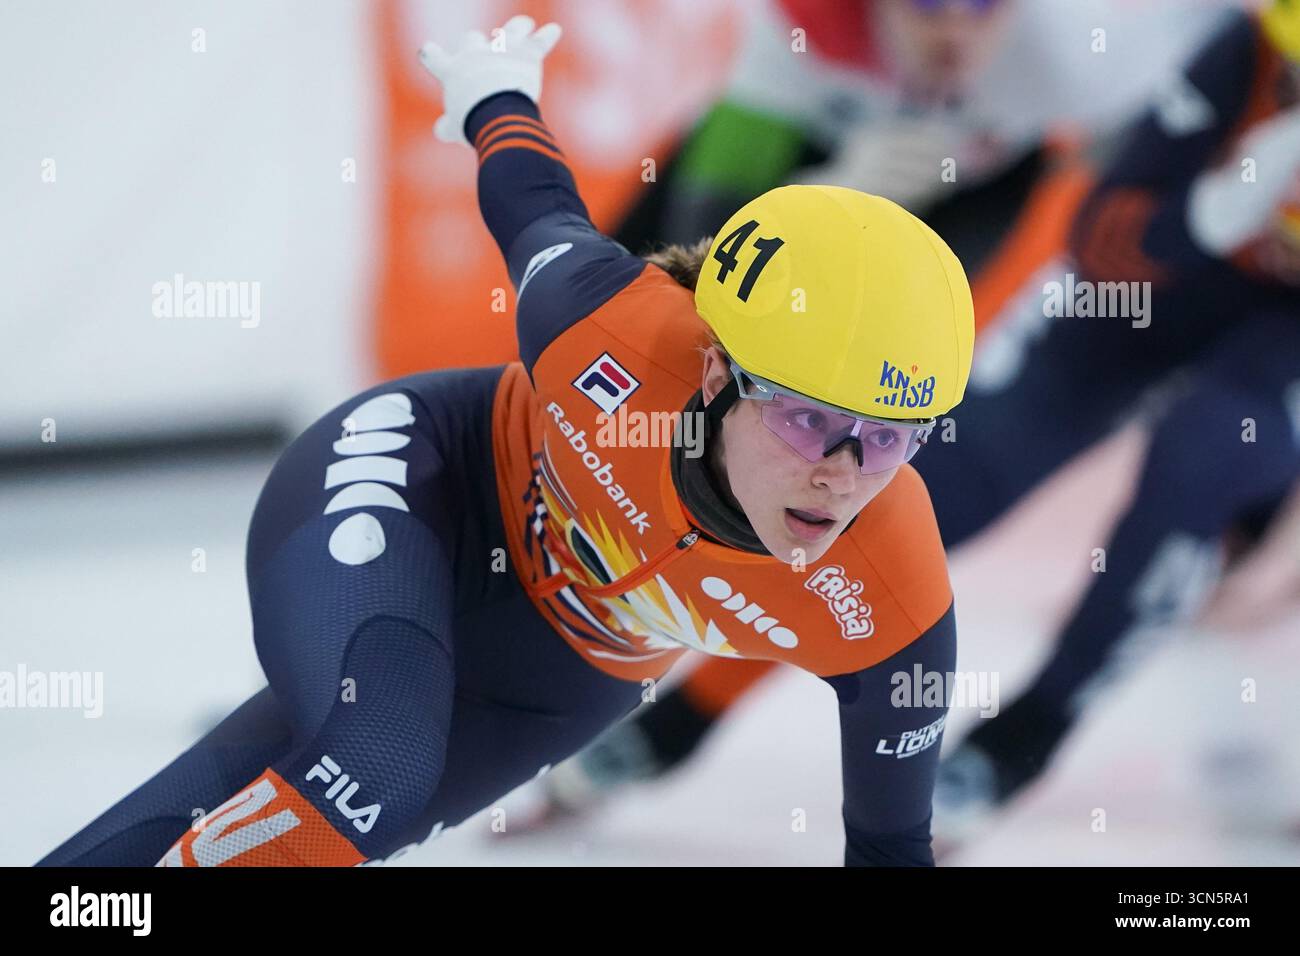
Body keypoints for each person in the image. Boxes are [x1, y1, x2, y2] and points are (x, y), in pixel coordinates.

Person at [36, 14, 974, 867]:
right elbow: (533, 201)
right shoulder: (608, 335)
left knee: (335, 809)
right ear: (719, 374)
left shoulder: (893, 602)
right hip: (430, 483)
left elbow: (892, 849)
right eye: (809, 418)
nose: (842, 473)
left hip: (574, 658)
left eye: (890, 439)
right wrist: (496, 91)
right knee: (373, 768)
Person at [530, 0, 1300, 837]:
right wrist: (1213, 209)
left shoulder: (1084, 60)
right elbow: (1105, 238)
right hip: (1120, 273)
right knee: (924, 481)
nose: (953, 33)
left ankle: (1021, 740)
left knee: (1202, 463)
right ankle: (686, 717)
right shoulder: (795, 41)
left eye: (978, 10)